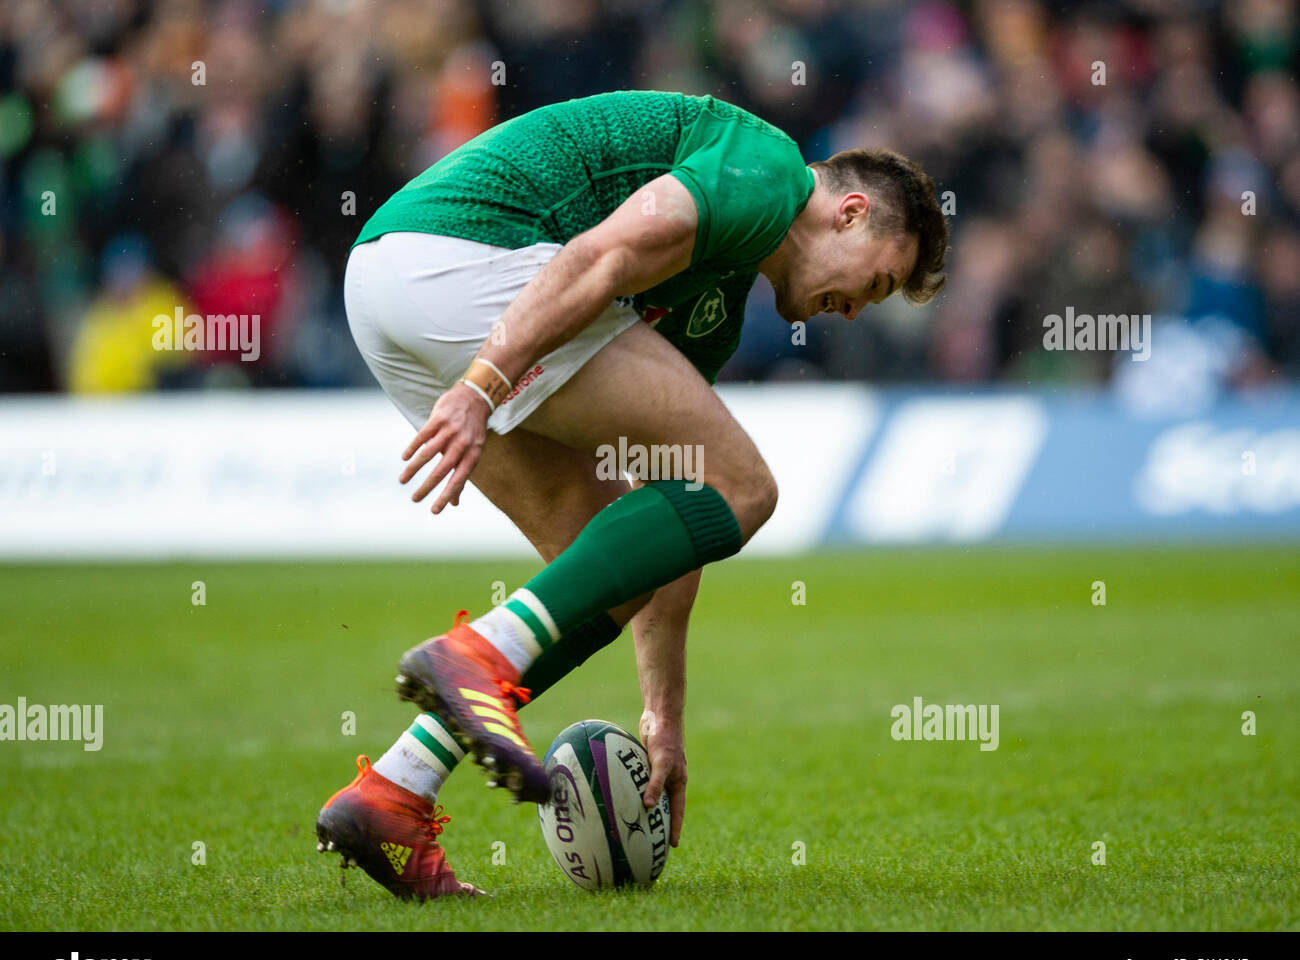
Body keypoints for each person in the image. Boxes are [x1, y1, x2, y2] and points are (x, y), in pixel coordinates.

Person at [316, 90, 948, 899]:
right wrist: (482, 386)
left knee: (604, 578)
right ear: (851, 213)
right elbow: (598, 258)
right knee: (749, 486)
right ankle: (472, 655)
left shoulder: (713, 303)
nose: (857, 312)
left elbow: (671, 511)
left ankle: (393, 791)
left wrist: (664, 716)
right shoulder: (766, 175)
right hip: (463, 258)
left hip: (389, 286)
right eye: (878, 281)